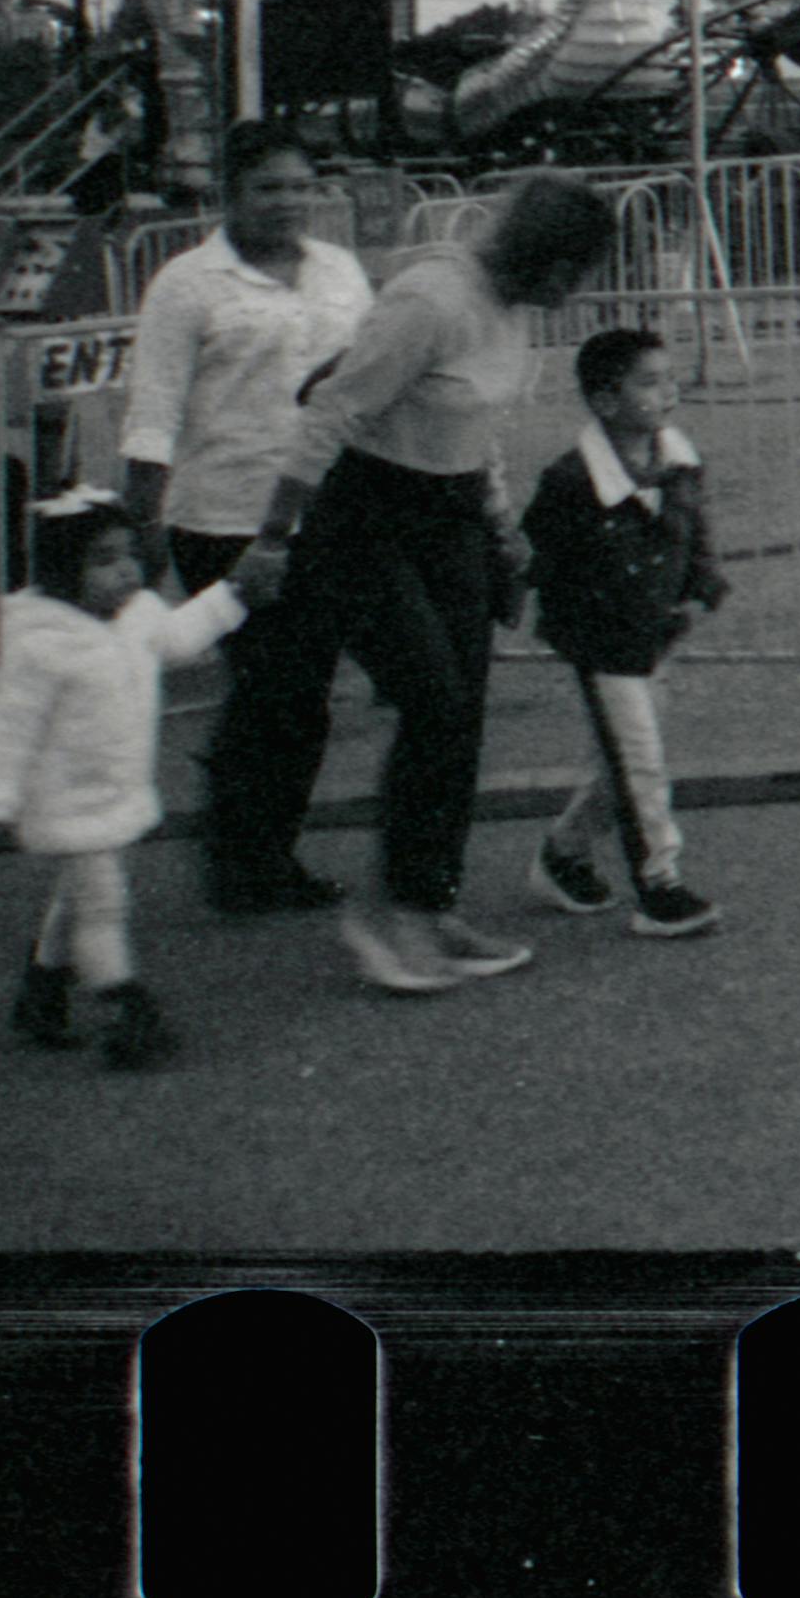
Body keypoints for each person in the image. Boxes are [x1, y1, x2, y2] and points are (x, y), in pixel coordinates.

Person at [202, 169, 618, 996]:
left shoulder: (509, 310)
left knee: (461, 709)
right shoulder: (431, 300)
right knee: (429, 697)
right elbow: (333, 414)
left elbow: (474, 424)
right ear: (545, 256)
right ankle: (386, 916)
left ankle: (431, 903)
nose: (580, 288)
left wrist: (501, 528)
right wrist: (274, 538)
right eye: (577, 268)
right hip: (366, 512)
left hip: (450, 510)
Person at [0, 487, 285, 1071]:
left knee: (77, 896)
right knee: (103, 903)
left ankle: (43, 990)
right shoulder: (41, 647)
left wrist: (230, 596)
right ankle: (127, 1007)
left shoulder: (136, 617)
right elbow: (9, 731)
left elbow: (181, 639)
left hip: (110, 790)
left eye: (129, 555)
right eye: (103, 560)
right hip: (63, 797)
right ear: (62, 573)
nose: (126, 571)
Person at [519, 328, 732, 938]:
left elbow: (696, 530)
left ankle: (564, 855)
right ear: (605, 401)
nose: (669, 390)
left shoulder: (679, 458)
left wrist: (700, 588)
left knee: (623, 764)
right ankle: (659, 885)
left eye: (670, 377)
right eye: (650, 381)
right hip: (603, 642)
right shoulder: (569, 481)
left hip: (655, 634)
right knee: (640, 761)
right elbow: (539, 557)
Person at [116, 124, 371, 600]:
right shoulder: (185, 283)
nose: (288, 202)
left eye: (301, 187)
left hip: (332, 511)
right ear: (229, 194)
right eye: (268, 188)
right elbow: (154, 411)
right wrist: (144, 524)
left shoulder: (341, 269)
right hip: (226, 518)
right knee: (264, 671)